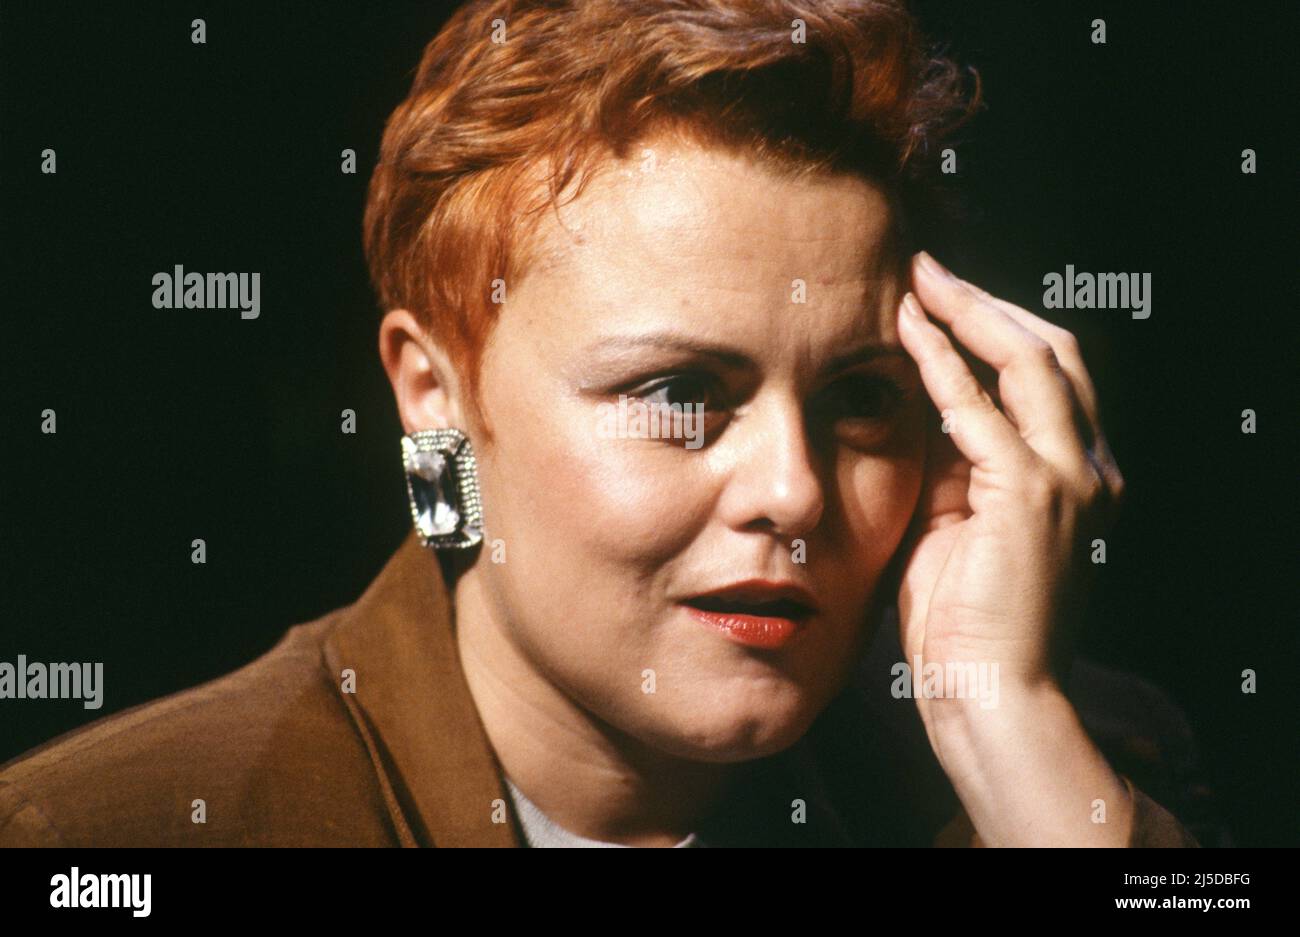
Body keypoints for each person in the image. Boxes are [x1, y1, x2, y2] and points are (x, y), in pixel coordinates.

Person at [0, 0, 1204, 847]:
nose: (791, 490)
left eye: (860, 398)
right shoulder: (114, 833)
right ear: (435, 395)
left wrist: (1007, 735)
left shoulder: (1075, 770)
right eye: (679, 394)